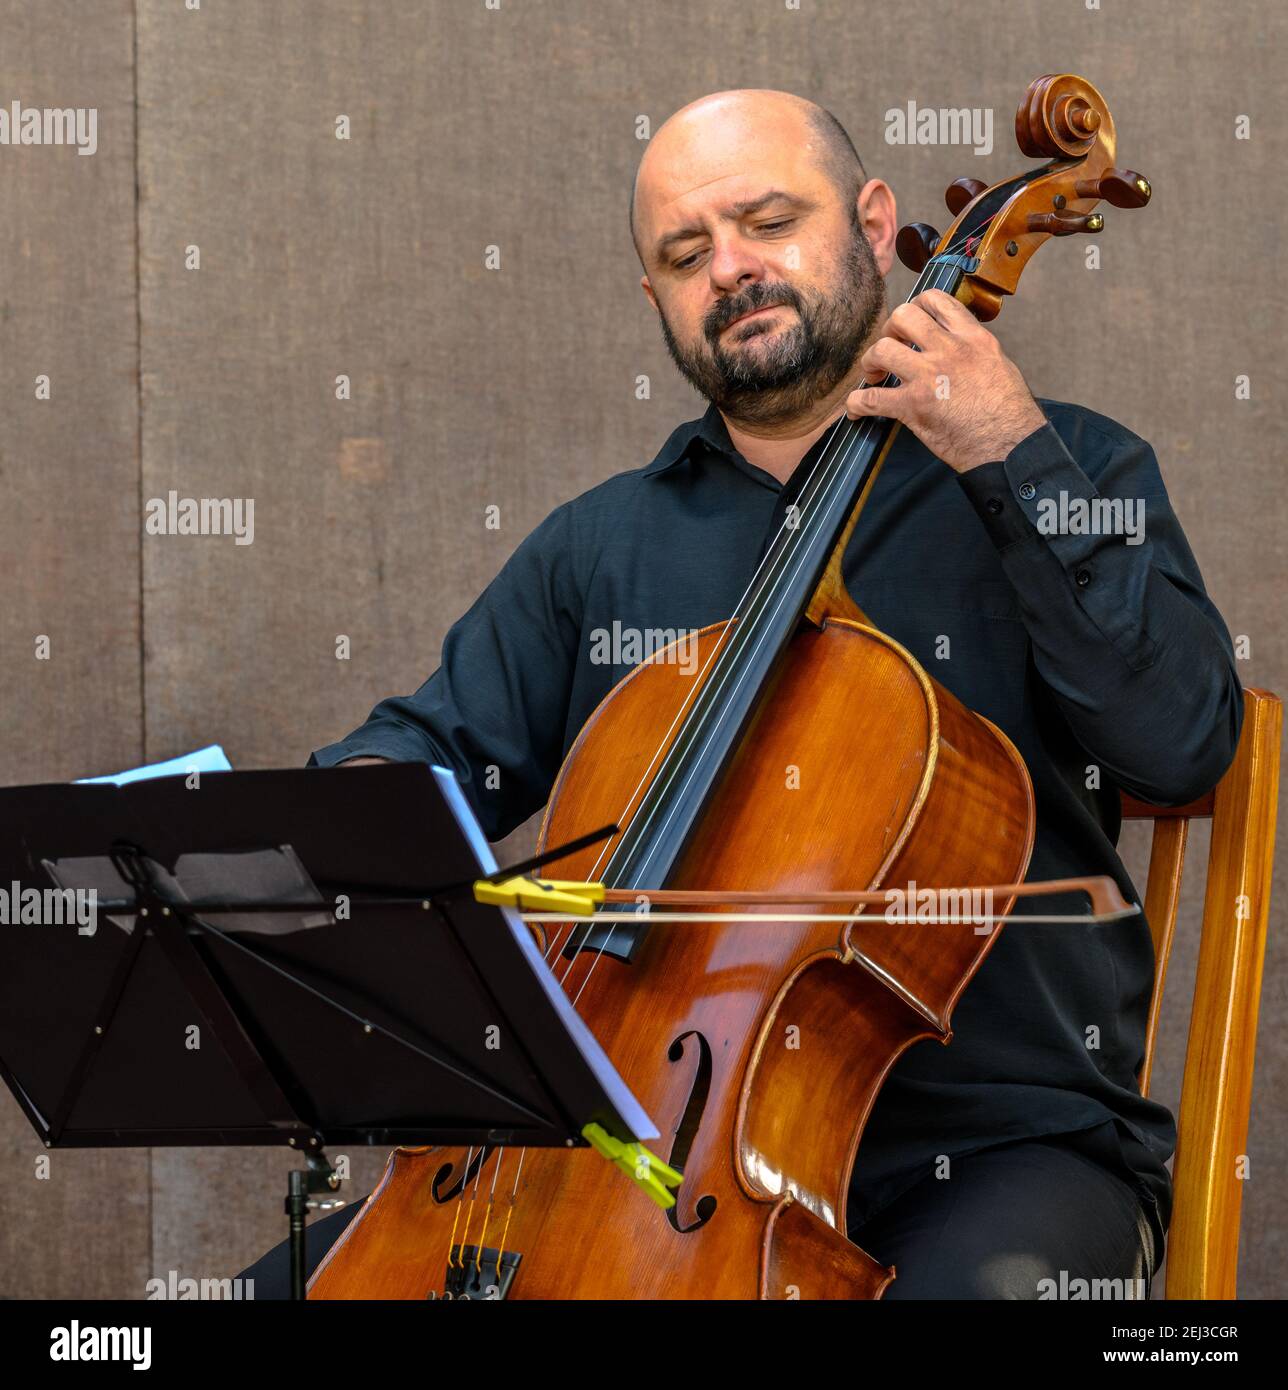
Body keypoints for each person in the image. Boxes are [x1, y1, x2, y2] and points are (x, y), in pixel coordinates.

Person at [241, 88, 1242, 1299]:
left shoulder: (1063, 463)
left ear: (874, 225)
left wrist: (1003, 445)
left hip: (998, 1153)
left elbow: (1180, 742)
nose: (729, 268)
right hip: (640, 1159)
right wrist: (350, 820)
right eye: (684, 254)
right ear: (653, 297)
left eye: (767, 222)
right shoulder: (602, 545)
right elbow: (425, 757)